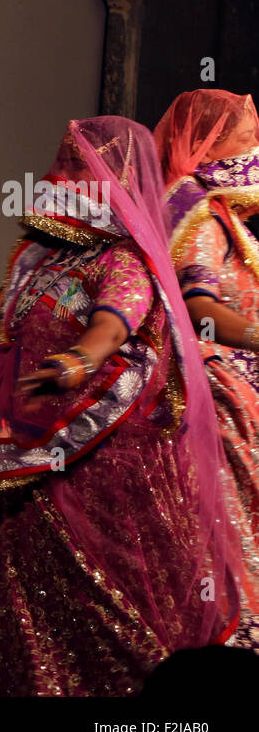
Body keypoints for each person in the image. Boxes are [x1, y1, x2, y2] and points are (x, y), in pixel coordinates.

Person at [0, 116, 243, 695]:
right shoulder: (41, 259)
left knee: (99, 601)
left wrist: (75, 363)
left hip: (102, 464)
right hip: (31, 454)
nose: (69, 175)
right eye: (69, 161)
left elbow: (111, 328)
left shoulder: (124, 261)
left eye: (85, 165)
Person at [153, 89, 259, 610]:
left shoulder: (212, 211)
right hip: (221, 391)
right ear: (212, 142)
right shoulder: (197, 212)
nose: (255, 147)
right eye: (246, 137)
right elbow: (201, 311)